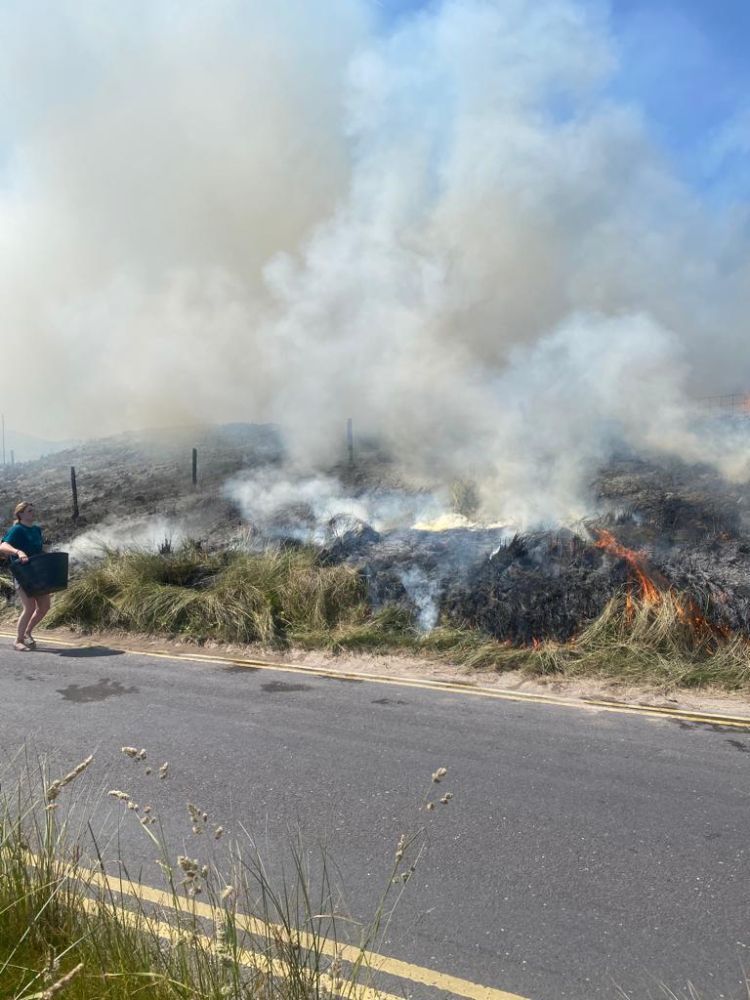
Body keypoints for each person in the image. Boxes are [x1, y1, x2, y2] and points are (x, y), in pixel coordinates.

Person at [0, 501, 49, 651]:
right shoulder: (17, 530)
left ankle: (28, 632)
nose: (33, 513)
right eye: (29, 511)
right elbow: (3, 546)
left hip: (37, 573)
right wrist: (18, 552)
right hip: (23, 573)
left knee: (45, 606)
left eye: (33, 511)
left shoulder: (36, 530)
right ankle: (18, 640)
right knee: (29, 607)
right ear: (20, 514)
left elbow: (38, 549)